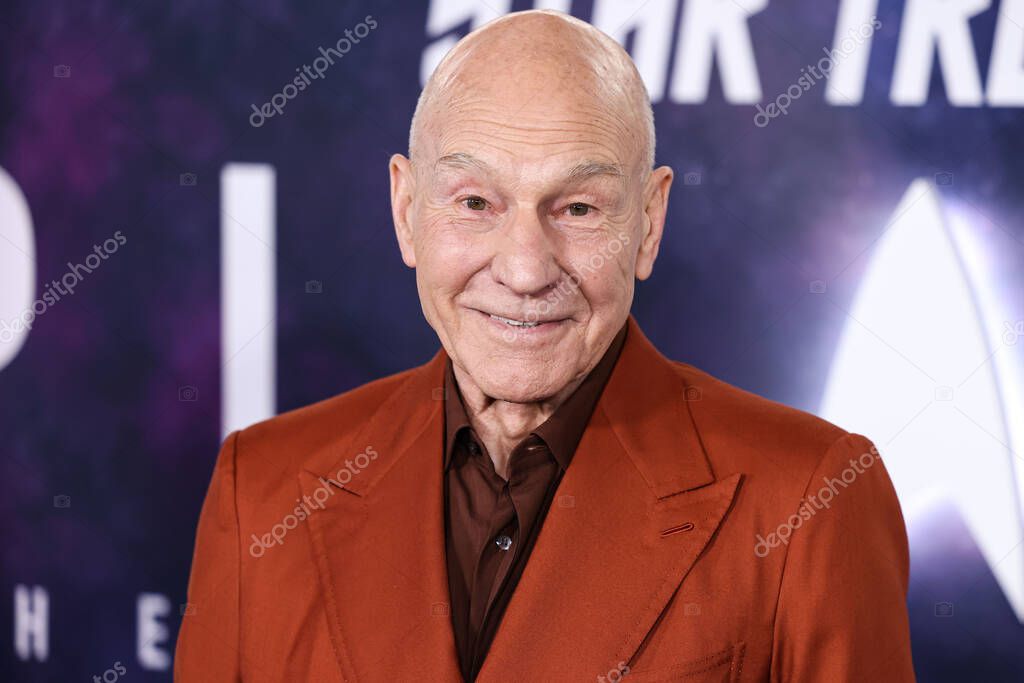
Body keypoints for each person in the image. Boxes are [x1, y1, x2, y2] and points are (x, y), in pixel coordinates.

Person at [175, 9, 915, 682]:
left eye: (579, 207)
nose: (526, 268)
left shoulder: (810, 499)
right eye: (475, 203)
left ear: (649, 223)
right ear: (407, 212)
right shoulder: (262, 490)